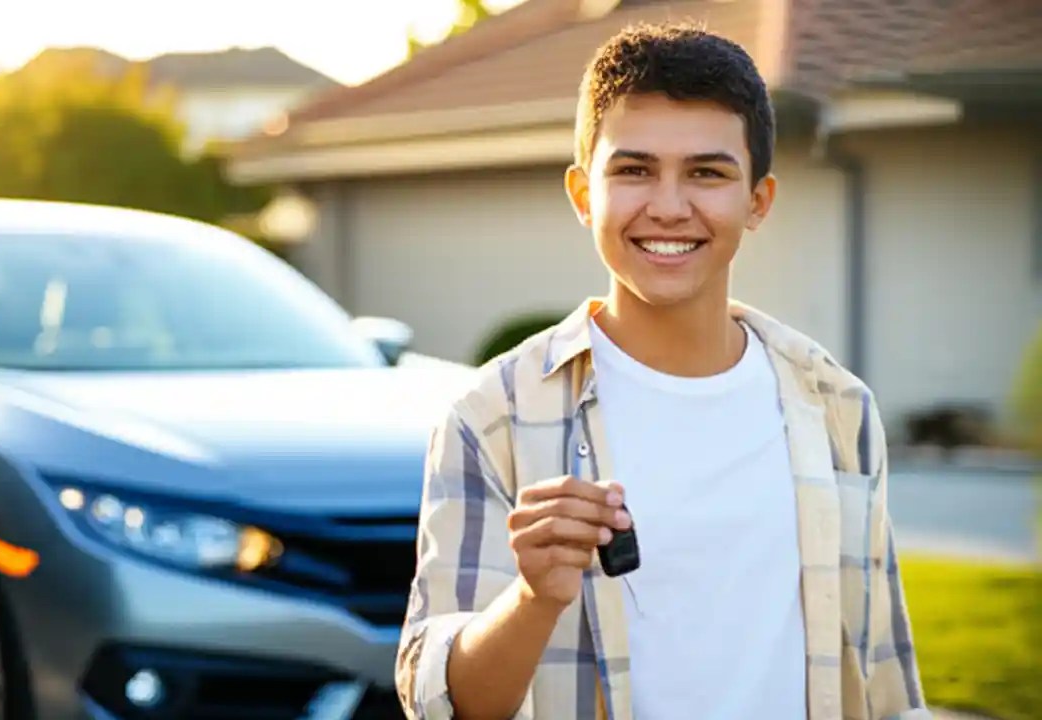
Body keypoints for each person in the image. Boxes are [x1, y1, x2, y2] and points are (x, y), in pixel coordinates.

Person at [395, 21, 930, 720]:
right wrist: (532, 599)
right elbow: (440, 705)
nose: (670, 206)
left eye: (707, 172)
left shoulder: (837, 407)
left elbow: (883, 677)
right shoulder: (490, 417)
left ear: (758, 201)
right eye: (634, 169)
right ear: (583, 194)